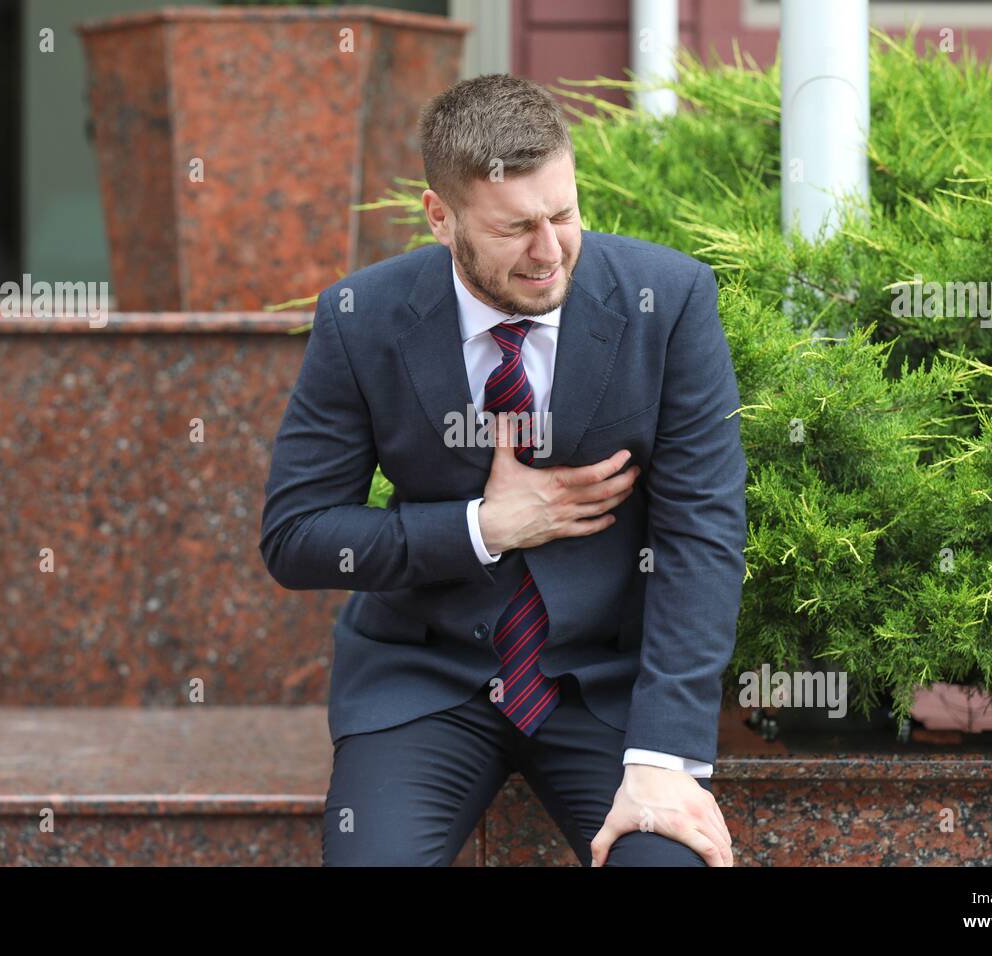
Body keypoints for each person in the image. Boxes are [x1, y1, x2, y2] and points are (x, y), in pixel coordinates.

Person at [259, 73, 746, 867]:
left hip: (609, 689)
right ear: (439, 216)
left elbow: (705, 534)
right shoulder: (362, 319)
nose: (550, 252)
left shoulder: (671, 299)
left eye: (563, 213)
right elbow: (297, 536)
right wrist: (481, 529)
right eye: (516, 228)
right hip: (425, 681)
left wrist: (663, 756)